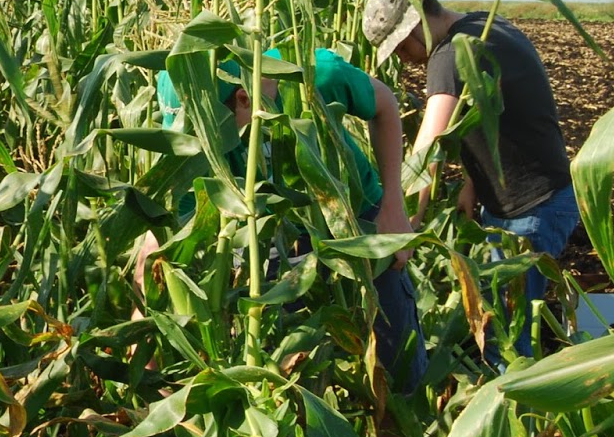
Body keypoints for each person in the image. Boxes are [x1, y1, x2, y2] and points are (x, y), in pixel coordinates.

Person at [141, 49, 427, 391]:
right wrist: (145, 328)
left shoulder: (314, 75)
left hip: (357, 220)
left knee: (398, 366)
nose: (198, 147)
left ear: (245, 100)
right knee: (289, 373)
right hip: (269, 237)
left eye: (206, 132)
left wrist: (393, 204)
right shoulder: (187, 119)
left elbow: (385, 105)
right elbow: (158, 242)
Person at [363, 0, 579, 361]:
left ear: (414, 28)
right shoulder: (488, 26)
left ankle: (514, 417)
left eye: (399, 49)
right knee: (498, 321)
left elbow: (428, 149)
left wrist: (402, 221)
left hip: (530, 211)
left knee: (504, 341)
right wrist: (470, 182)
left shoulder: (449, 56)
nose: (402, 60)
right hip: (538, 198)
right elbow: (491, 114)